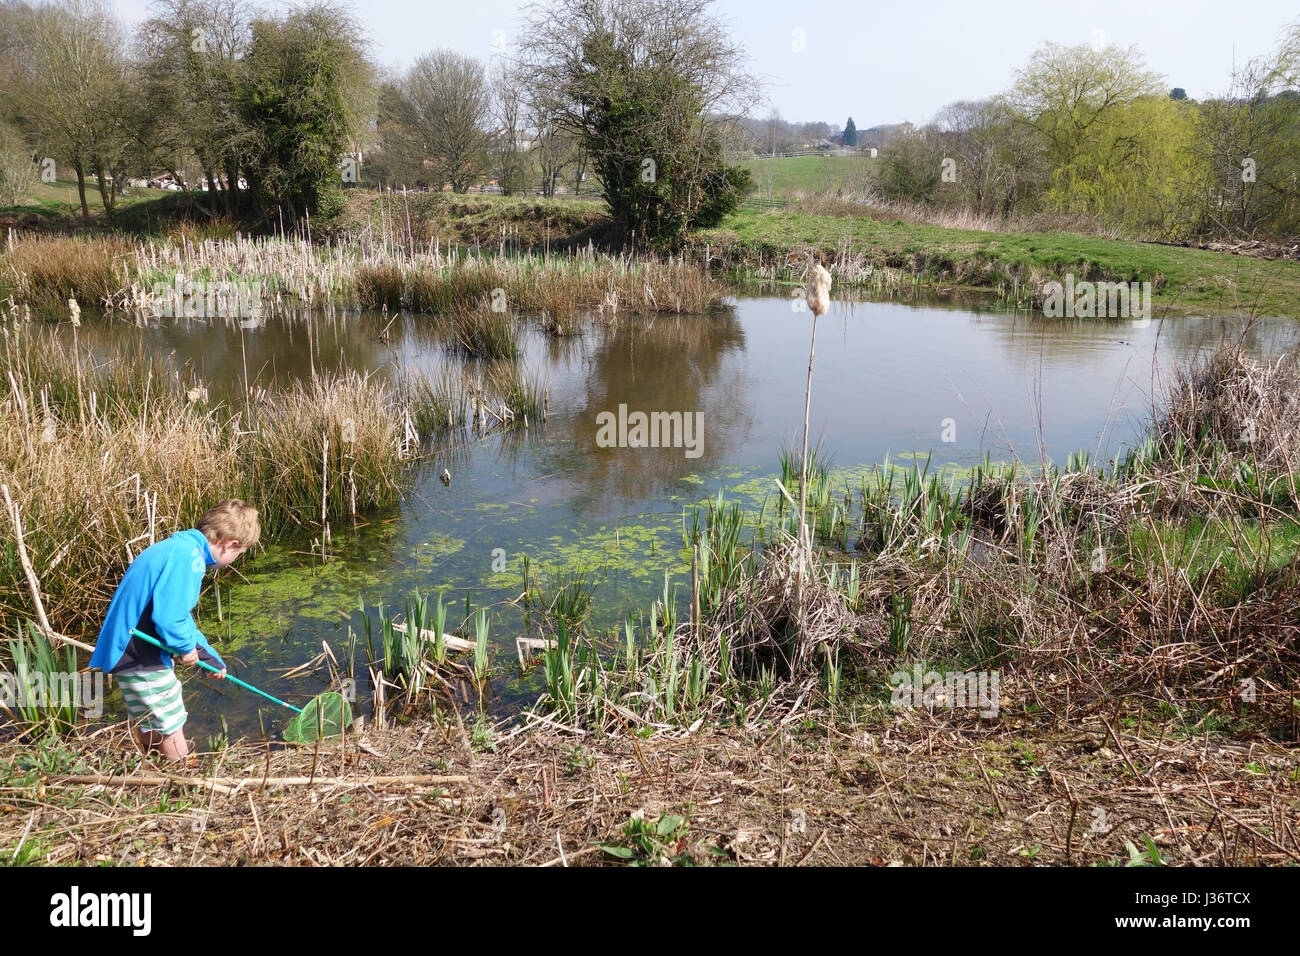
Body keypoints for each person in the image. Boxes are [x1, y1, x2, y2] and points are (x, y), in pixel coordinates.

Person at [91, 499, 259, 762]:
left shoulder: (176, 548)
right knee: (171, 723)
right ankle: (184, 777)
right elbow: (169, 618)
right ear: (230, 544)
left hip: (126, 652)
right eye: (238, 554)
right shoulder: (189, 559)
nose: (233, 559)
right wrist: (185, 649)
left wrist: (208, 658)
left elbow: (180, 618)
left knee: (150, 720)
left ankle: (154, 769)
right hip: (139, 653)